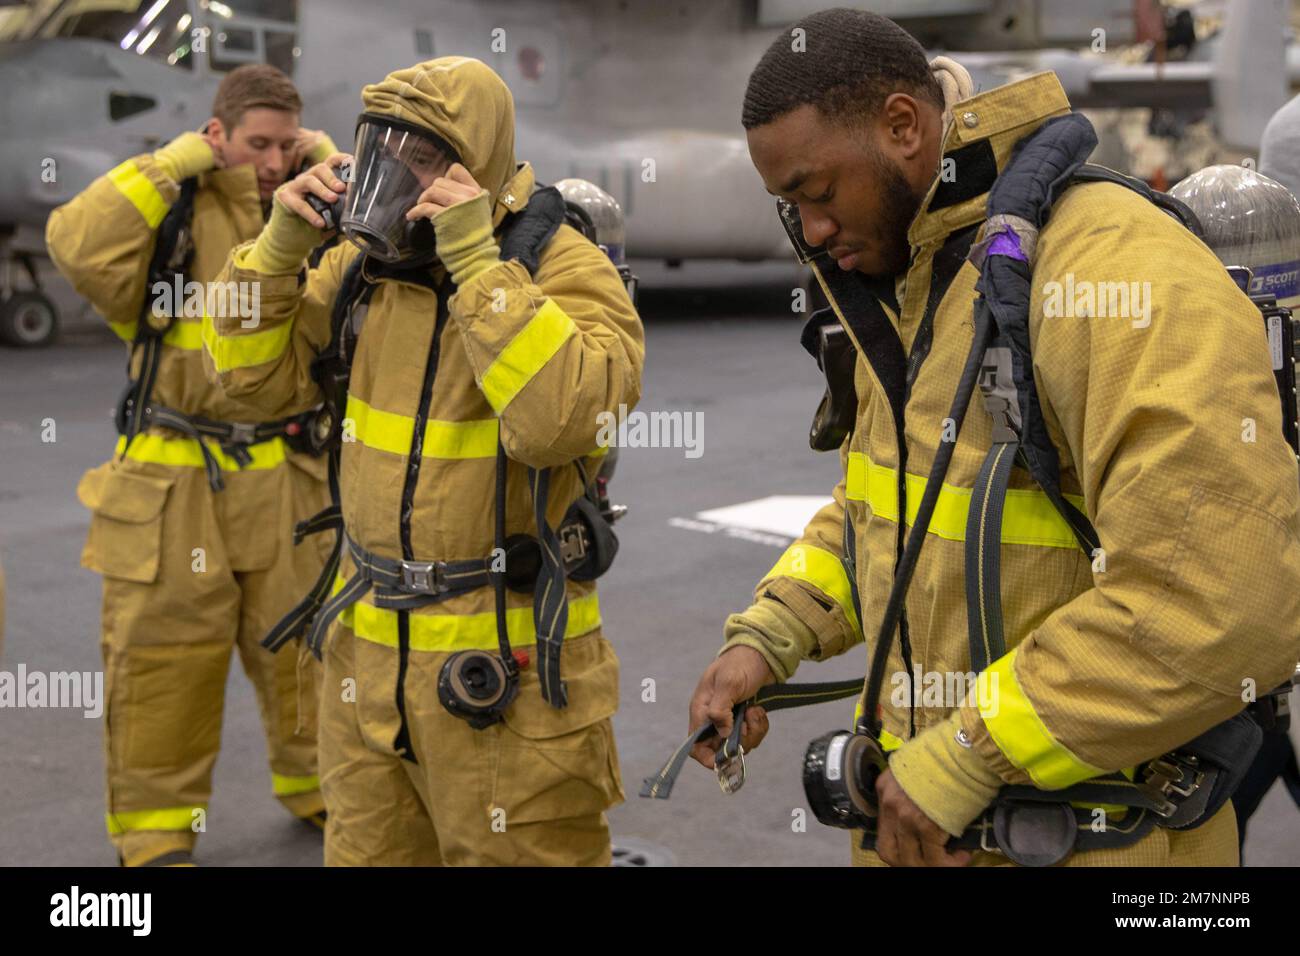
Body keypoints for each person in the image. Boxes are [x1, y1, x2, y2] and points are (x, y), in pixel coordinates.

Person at [688, 8, 1300, 867]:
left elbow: (1219, 597)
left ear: (904, 126)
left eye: (819, 194)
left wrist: (972, 751)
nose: (811, 232)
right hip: (928, 829)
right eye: (790, 205)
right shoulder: (916, 275)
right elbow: (888, 503)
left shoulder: (1115, 272)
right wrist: (770, 634)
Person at [202, 56, 644, 866]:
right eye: (384, 156)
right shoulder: (363, 274)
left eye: (423, 160)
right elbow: (242, 385)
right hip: (366, 681)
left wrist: (480, 268)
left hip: (514, 691)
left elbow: (565, 422)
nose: (396, 182)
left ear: (473, 168)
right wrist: (274, 252)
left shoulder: (563, 268)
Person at [46, 64, 336, 867]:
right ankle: (156, 835)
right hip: (173, 483)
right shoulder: (172, 213)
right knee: (162, 664)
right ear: (218, 137)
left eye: (287, 143)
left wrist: (327, 157)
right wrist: (175, 162)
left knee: (308, 650)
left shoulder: (316, 211)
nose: (273, 162)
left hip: (287, 472)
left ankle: (320, 788)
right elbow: (73, 240)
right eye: (256, 145)